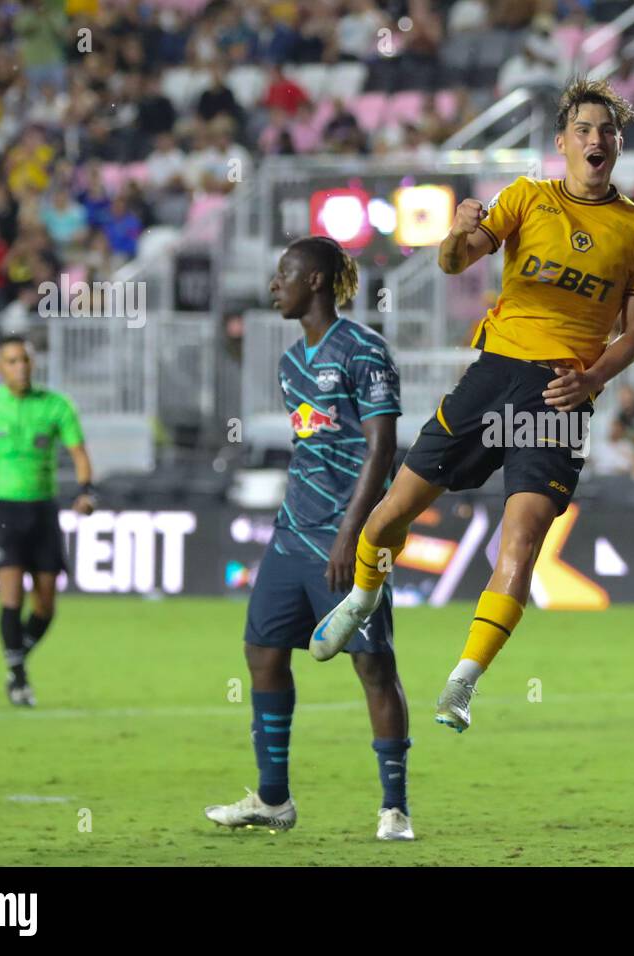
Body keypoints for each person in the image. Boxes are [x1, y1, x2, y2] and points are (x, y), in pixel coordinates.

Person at [308, 78, 634, 734]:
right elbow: (453, 262)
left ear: (618, 144)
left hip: (558, 396)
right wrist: (458, 231)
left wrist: (591, 382)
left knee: (522, 542)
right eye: (584, 129)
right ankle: (363, 597)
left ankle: (462, 681)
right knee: (392, 512)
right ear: (562, 142)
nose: (596, 139)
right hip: (494, 376)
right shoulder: (527, 197)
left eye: (607, 131)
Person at [204, 237, 413, 840]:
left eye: (285, 274)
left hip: (348, 537)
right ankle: (273, 800)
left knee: (374, 665)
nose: (275, 285)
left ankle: (394, 807)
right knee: (263, 654)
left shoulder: (363, 350)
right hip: (292, 534)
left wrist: (354, 532)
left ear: (316, 281)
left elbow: (382, 448)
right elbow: (311, 447)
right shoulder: (291, 362)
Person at [0, 335, 95, 707]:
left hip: (43, 510)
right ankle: (19, 679)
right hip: (2, 510)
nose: (20, 367)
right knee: (12, 594)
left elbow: (79, 453)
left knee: (46, 604)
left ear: (33, 364)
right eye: (12, 361)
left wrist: (86, 492)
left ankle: (14, 657)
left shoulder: (56, 406)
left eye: (24, 360)